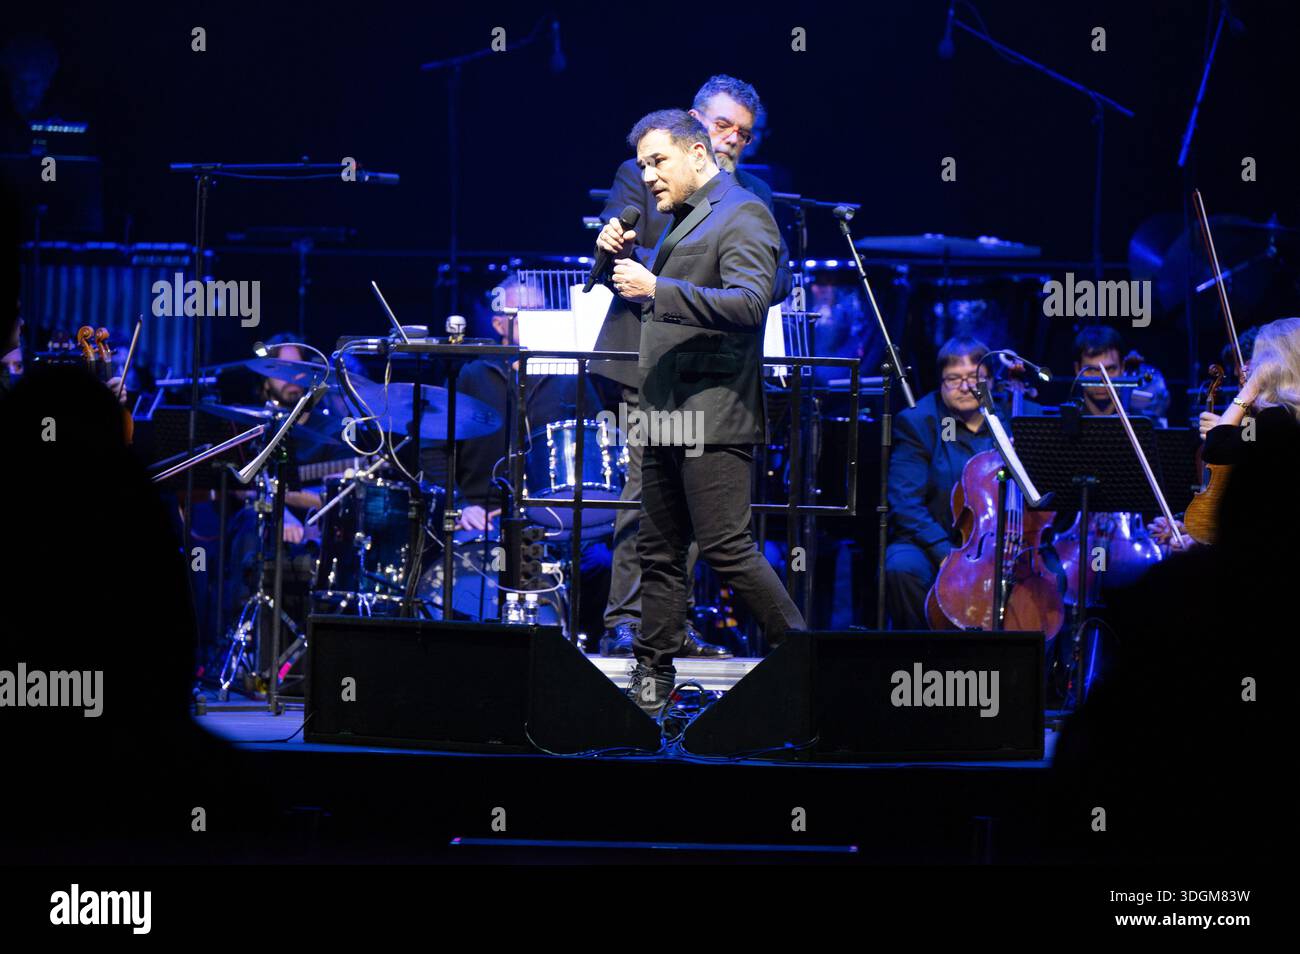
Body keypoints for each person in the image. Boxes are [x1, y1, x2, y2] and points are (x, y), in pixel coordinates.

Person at [596, 109, 804, 715]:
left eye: (658, 161)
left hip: (712, 410)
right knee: (658, 552)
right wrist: (610, 259)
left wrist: (655, 289)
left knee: (725, 547)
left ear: (697, 152)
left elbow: (748, 303)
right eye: (642, 166)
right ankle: (652, 686)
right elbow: (649, 300)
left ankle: (806, 660)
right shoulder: (683, 219)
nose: (649, 176)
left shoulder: (743, 211)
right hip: (663, 406)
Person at [883, 336, 1039, 629]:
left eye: (975, 378)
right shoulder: (920, 422)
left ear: (991, 381)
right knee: (901, 567)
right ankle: (926, 656)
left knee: (1053, 573)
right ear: (940, 382)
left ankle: (1033, 670)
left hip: (1005, 543)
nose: (966, 387)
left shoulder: (1021, 417)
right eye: (953, 379)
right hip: (935, 538)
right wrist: (944, 554)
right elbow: (905, 502)